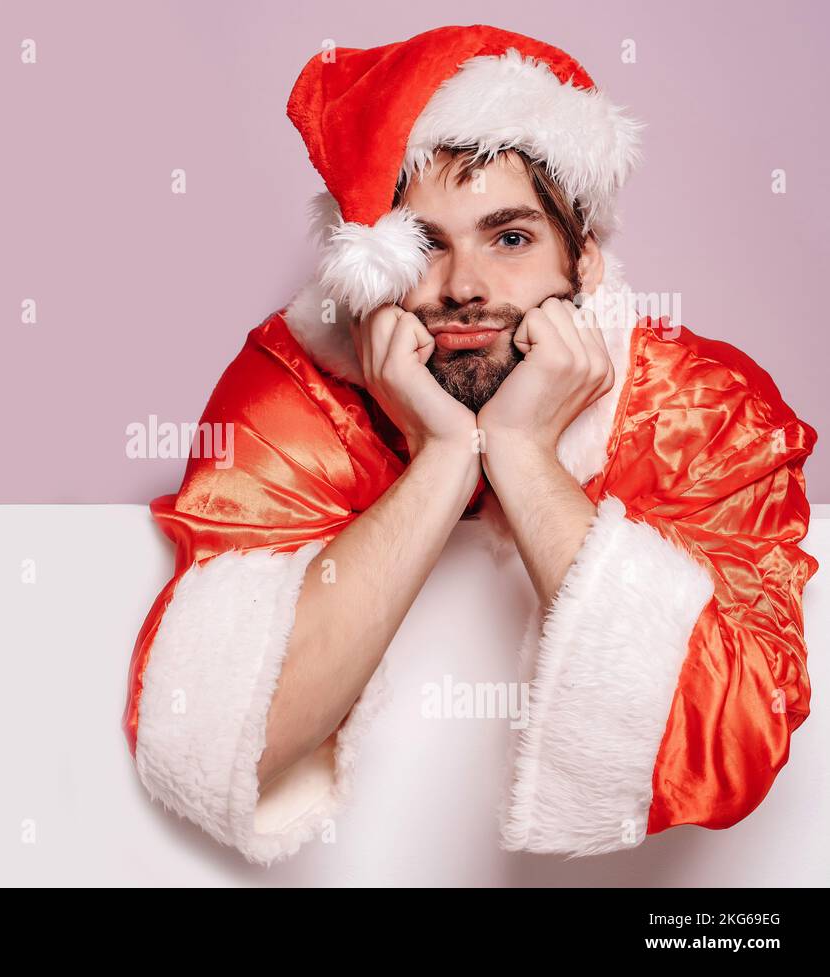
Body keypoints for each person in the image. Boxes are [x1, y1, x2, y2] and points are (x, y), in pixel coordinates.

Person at [120, 24, 818, 866]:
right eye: (425, 245)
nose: (465, 288)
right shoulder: (294, 387)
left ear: (586, 257)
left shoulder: (703, 408)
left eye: (511, 238)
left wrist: (522, 453)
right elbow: (220, 737)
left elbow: (726, 741)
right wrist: (444, 456)